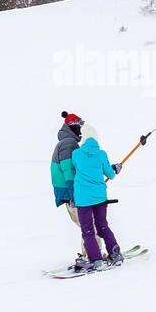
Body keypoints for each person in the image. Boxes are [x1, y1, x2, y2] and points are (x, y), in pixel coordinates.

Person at [50, 112, 104, 264]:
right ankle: (93, 256)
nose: (81, 130)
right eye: (79, 126)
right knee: (89, 224)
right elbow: (68, 171)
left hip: (70, 192)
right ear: (72, 127)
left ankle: (89, 254)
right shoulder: (68, 144)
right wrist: (75, 195)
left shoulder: (67, 142)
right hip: (71, 192)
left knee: (87, 224)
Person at [71, 122, 124, 272]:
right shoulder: (102, 154)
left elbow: (77, 168)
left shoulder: (76, 154)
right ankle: (115, 253)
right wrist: (115, 168)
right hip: (100, 198)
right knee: (102, 226)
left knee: (87, 230)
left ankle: (96, 259)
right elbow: (110, 174)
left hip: (83, 199)